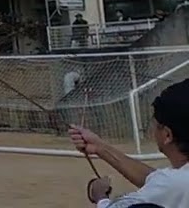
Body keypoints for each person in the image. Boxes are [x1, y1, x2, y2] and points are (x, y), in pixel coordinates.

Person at [71, 77, 189, 208]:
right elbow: (157, 180)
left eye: (155, 125)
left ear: (167, 135)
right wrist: (99, 147)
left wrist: (100, 196)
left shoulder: (173, 184)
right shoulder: (175, 181)